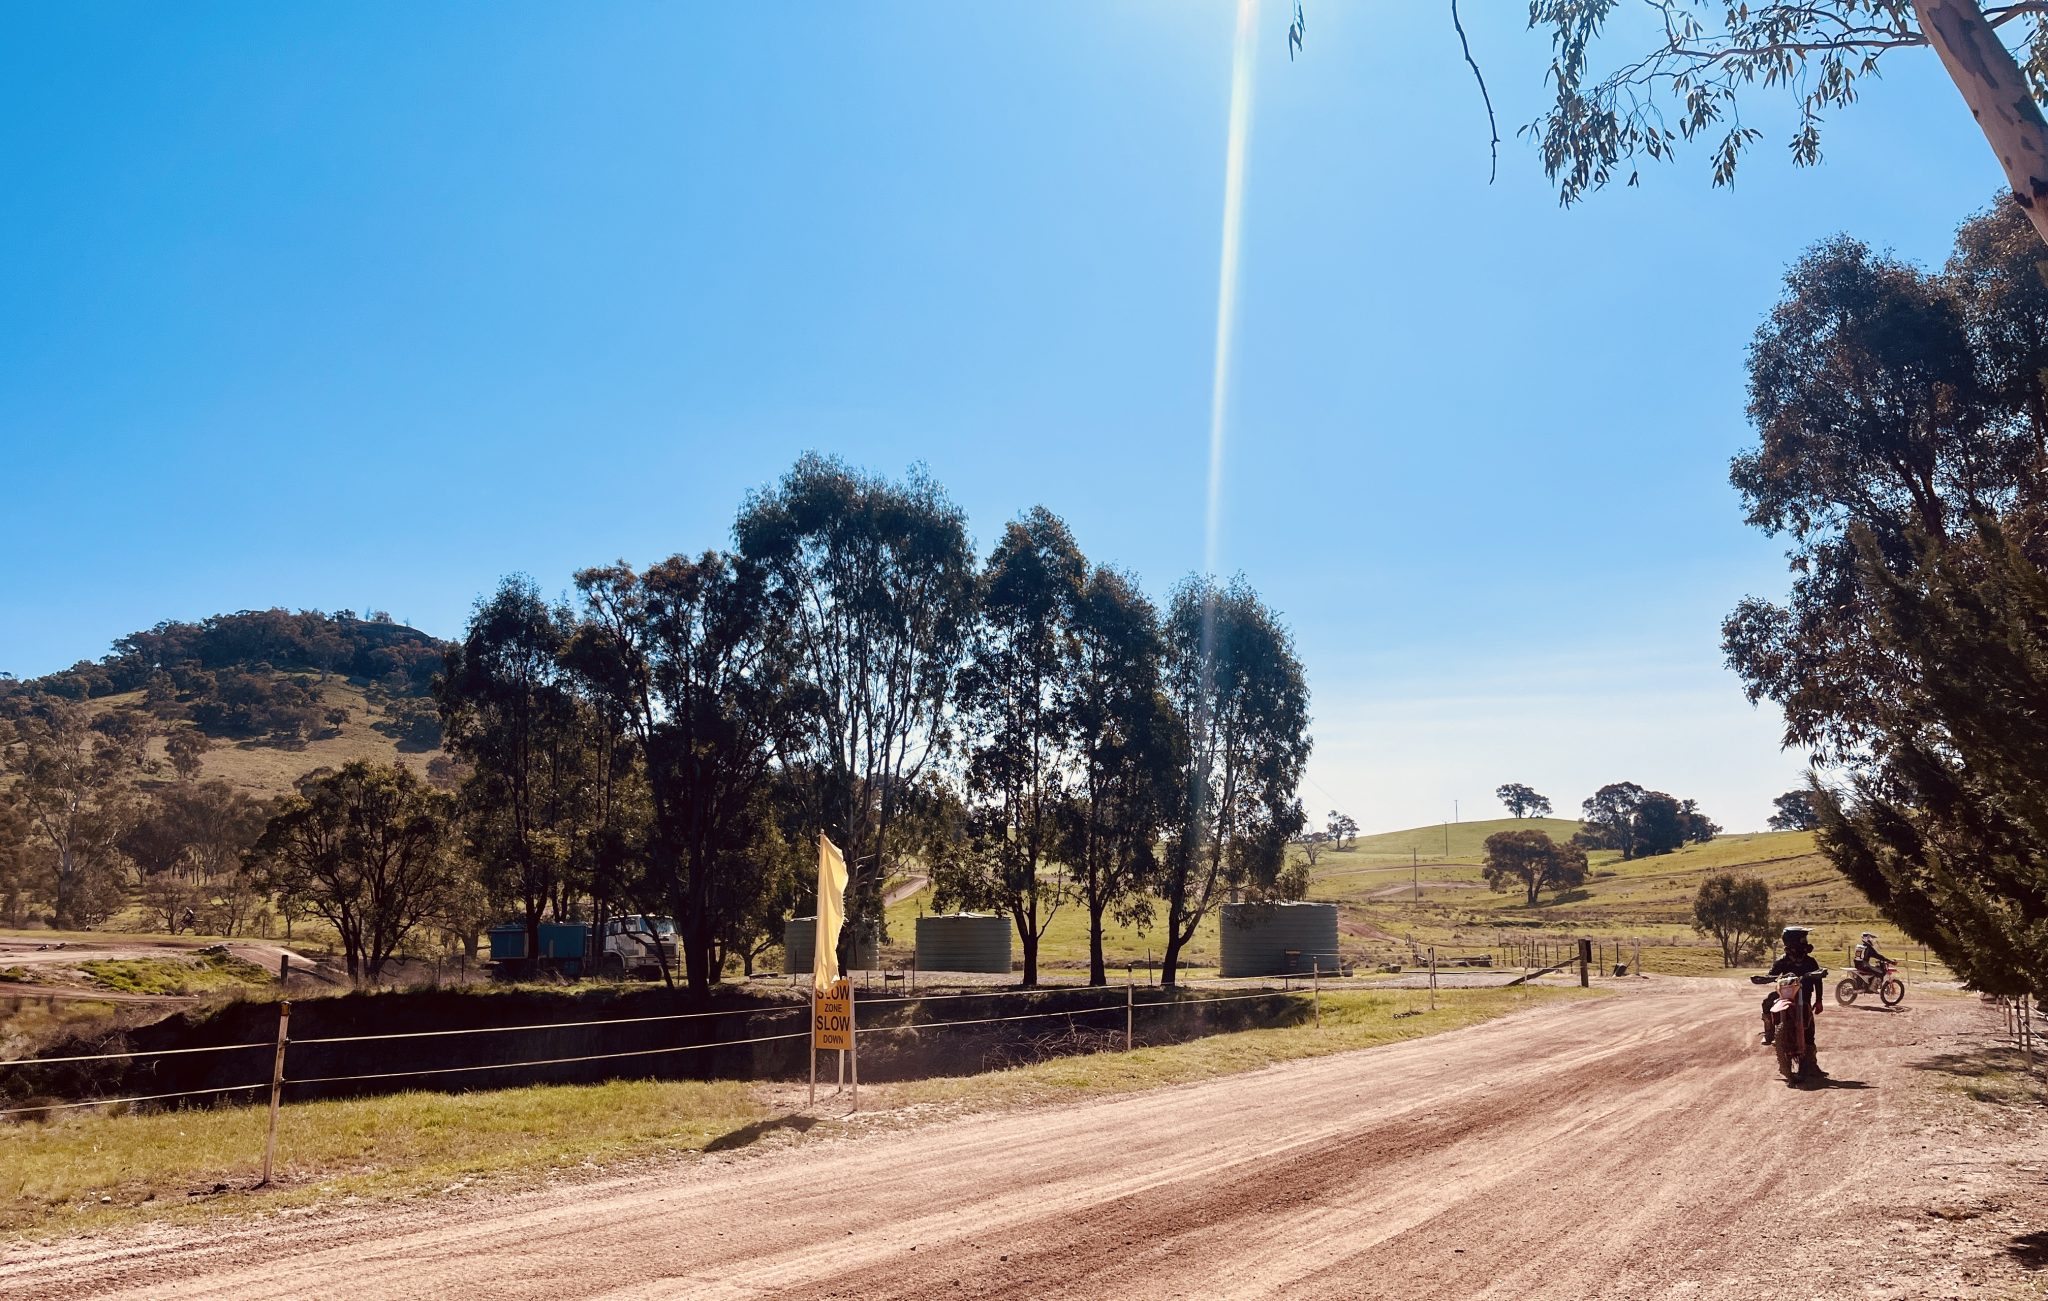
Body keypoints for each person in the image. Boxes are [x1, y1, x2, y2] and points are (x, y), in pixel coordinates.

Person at [1754, 925, 1826, 1074]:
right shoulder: (1783, 961)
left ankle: (1812, 1064)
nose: (1805, 942)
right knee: (1767, 1002)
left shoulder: (1810, 962)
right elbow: (1772, 974)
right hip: (1785, 996)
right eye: (1803, 939)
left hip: (1804, 997)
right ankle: (1769, 1032)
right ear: (1794, 941)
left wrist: (1819, 1000)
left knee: (1810, 1030)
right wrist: (1767, 978)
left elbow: (1818, 981)